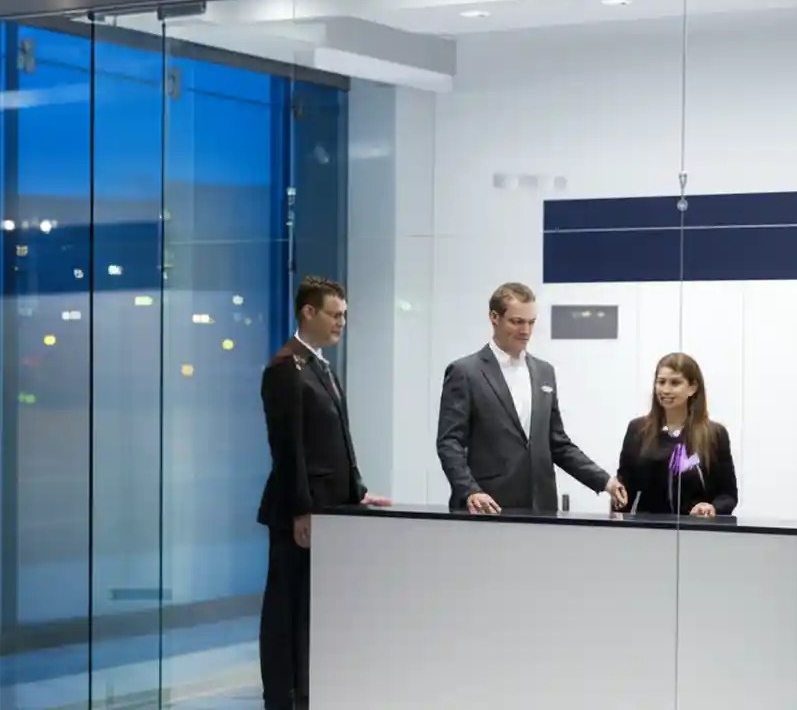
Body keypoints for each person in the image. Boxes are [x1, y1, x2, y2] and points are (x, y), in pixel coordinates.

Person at [257, 276, 390, 710]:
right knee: (286, 607)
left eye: (345, 315)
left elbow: (335, 441)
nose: (342, 323)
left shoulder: (321, 367)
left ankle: (309, 690)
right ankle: (282, 695)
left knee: (314, 609)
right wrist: (301, 511)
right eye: (335, 314)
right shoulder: (285, 368)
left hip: (330, 510)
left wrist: (356, 492)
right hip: (301, 513)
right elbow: (288, 447)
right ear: (308, 312)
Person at [436, 282, 628, 513]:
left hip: (541, 506)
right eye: (517, 321)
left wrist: (605, 481)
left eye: (531, 322)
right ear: (494, 317)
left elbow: (557, 444)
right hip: (486, 506)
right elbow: (450, 442)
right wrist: (469, 490)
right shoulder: (465, 372)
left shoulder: (544, 372)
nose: (525, 331)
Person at [615, 353, 737, 517]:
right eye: (661, 382)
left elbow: (728, 495)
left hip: (697, 533)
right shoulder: (637, 430)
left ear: (692, 388)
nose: (665, 390)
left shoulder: (714, 434)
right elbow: (623, 490)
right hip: (646, 533)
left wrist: (712, 508)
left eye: (675, 383)